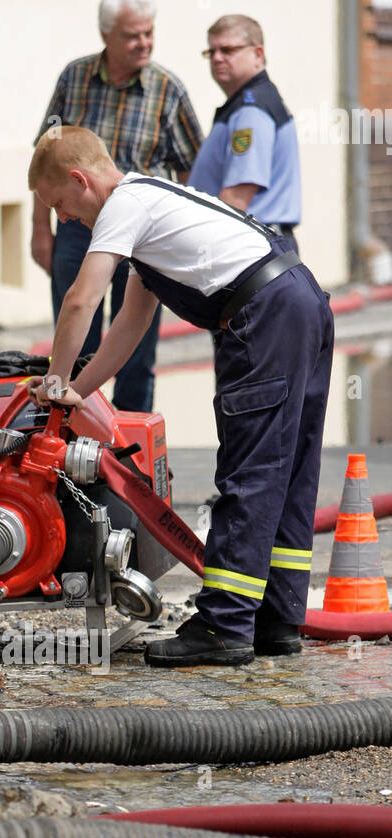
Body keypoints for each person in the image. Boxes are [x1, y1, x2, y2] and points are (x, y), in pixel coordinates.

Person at [27, 126, 334, 667]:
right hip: (298, 299)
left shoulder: (124, 205)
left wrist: (52, 384)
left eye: (60, 205)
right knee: (288, 468)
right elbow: (130, 323)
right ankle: (277, 618)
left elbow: (81, 302)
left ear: (80, 179)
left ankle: (223, 626)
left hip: (261, 315)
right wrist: (76, 391)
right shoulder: (152, 202)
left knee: (252, 470)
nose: (65, 219)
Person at [31, 0, 202, 413]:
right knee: (76, 335)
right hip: (78, 225)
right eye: (132, 35)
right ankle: (75, 438)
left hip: (142, 228)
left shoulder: (168, 89)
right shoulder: (75, 78)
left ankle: (129, 445)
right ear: (106, 35)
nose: (144, 43)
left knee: (136, 349)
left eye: (149, 33)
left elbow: (196, 165)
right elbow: (46, 160)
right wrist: (41, 226)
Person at [190, 14, 301, 252]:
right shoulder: (247, 105)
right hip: (256, 247)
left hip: (251, 250)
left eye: (228, 50)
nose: (217, 58)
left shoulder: (251, 111)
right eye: (212, 52)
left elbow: (236, 198)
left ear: (257, 54)